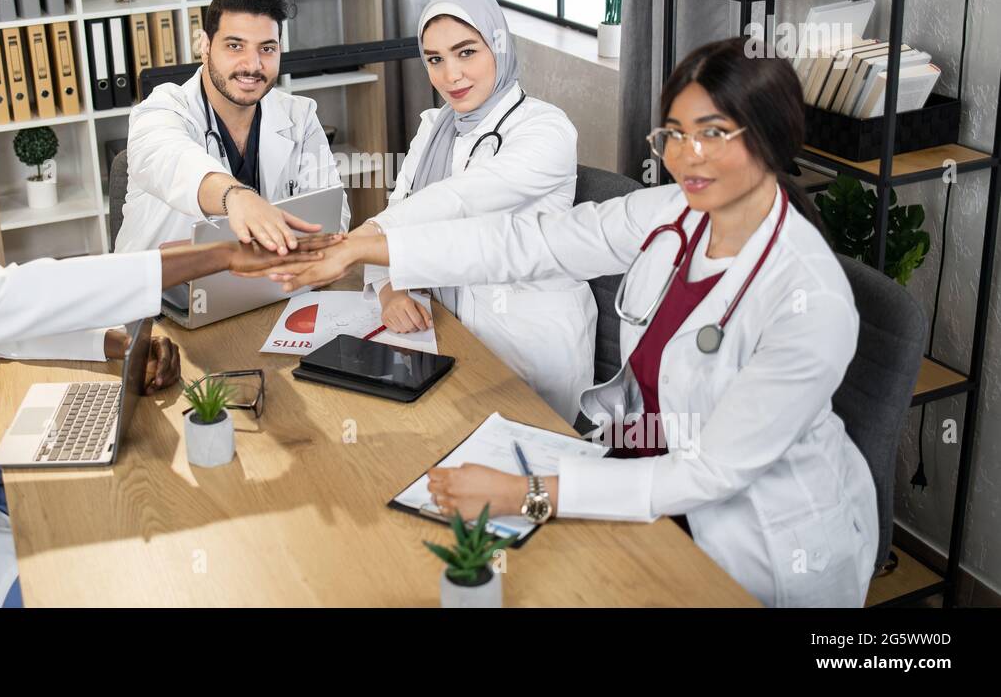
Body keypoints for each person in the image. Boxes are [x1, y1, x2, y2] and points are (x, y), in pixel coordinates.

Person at [256, 38, 879, 607]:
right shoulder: (673, 213)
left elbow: (708, 473)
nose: (690, 157)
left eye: (713, 134)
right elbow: (531, 243)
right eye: (676, 135)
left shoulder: (809, 297)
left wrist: (527, 493)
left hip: (757, 550)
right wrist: (370, 247)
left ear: (770, 141)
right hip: (638, 490)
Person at [0, 87, 329, 607]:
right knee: (84, 584)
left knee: (127, 518)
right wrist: (218, 256)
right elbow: (10, 299)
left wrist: (113, 344)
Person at [349, 0, 594, 418]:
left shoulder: (547, 131)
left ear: (498, 45)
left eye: (466, 52)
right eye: (435, 59)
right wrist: (391, 289)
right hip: (448, 336)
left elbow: (460, 202)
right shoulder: (435, 126)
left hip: (528, 350)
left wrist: (362, 239)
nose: (451, 76)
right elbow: (397, 211)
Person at [113, 0, 349, 259]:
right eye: (235, 46)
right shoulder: (161, 110)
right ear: (205, 45)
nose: (252, 64)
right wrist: (235, 197)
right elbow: (173, 159)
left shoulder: (300, 117)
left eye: (267, 48)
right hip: (165, 297)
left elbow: (331, 219)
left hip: (272, 284)